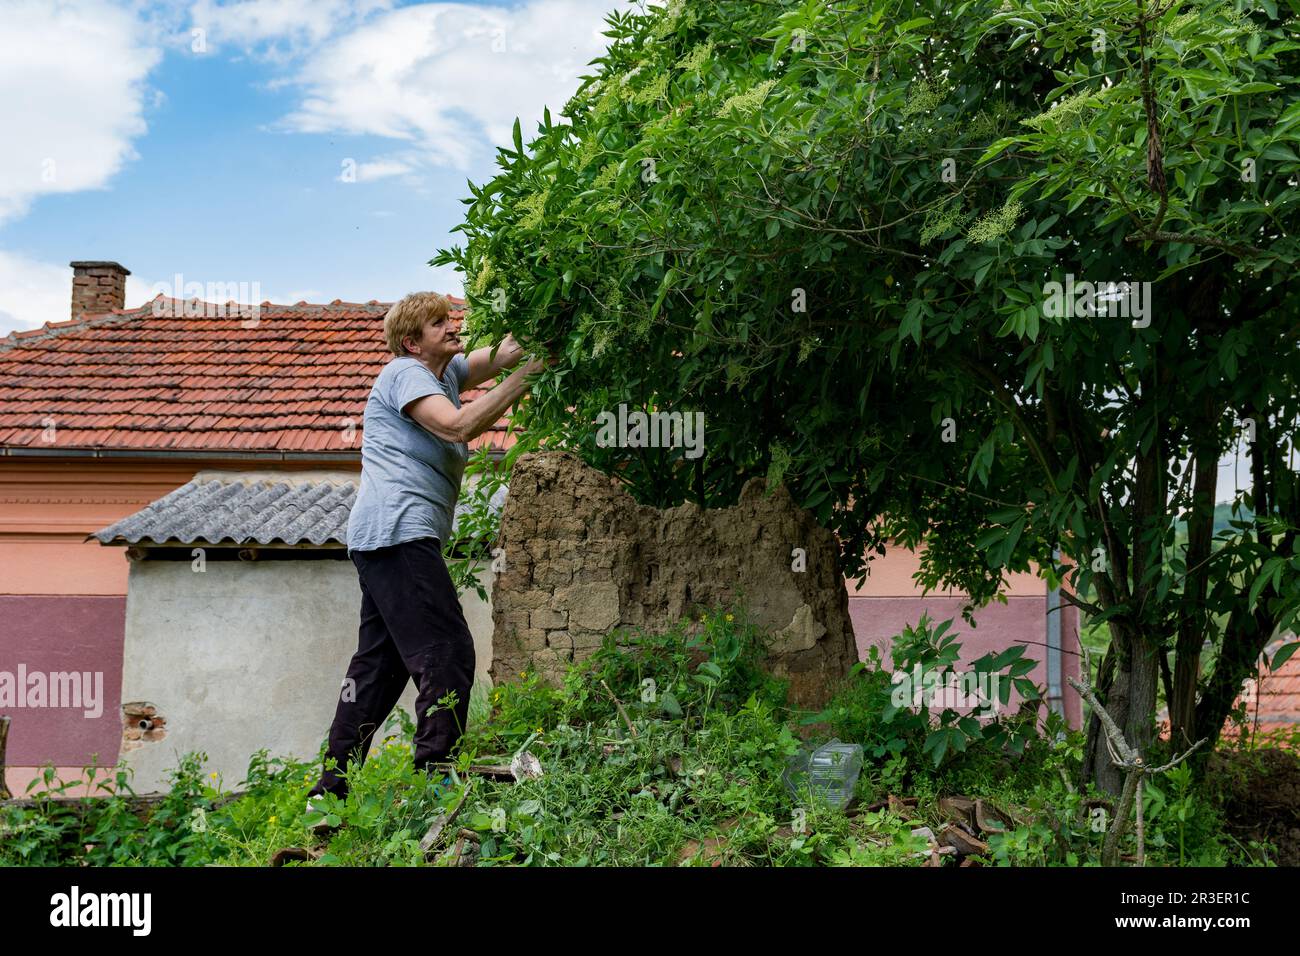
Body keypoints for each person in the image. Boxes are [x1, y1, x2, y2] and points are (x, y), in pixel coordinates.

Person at [307, 291, 545, 817]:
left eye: (450, 318)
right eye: (439, 323)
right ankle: (434, 775)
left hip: (384, 539)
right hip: (398, 533)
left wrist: (536, 337)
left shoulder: (443, 372)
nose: (452, 327)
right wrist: (529, 374)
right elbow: (458, 426)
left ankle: (328, 793)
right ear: (412, 341)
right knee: (448, 650)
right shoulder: (404, 374)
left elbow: (499, 355)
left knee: (377, 670)